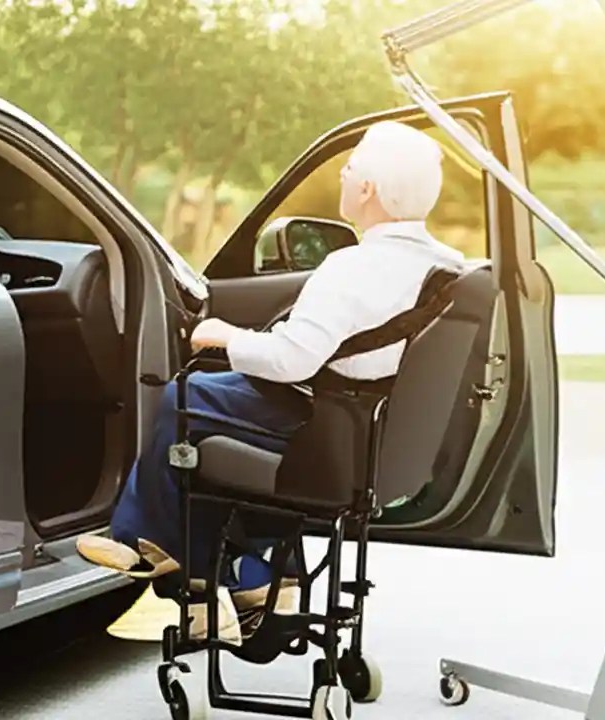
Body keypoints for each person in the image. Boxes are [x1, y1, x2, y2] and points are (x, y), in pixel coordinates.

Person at [78, 121, 466, 635]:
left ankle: (152, 545)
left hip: (320, 426)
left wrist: (224, 336)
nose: (345, 178)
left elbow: (291, 362)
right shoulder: (450, 268)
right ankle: (261, 573)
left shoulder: (352, 267)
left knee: (182, 399)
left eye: (349, 170)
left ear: (367, 190)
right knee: (217, 405)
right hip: (374, 432)